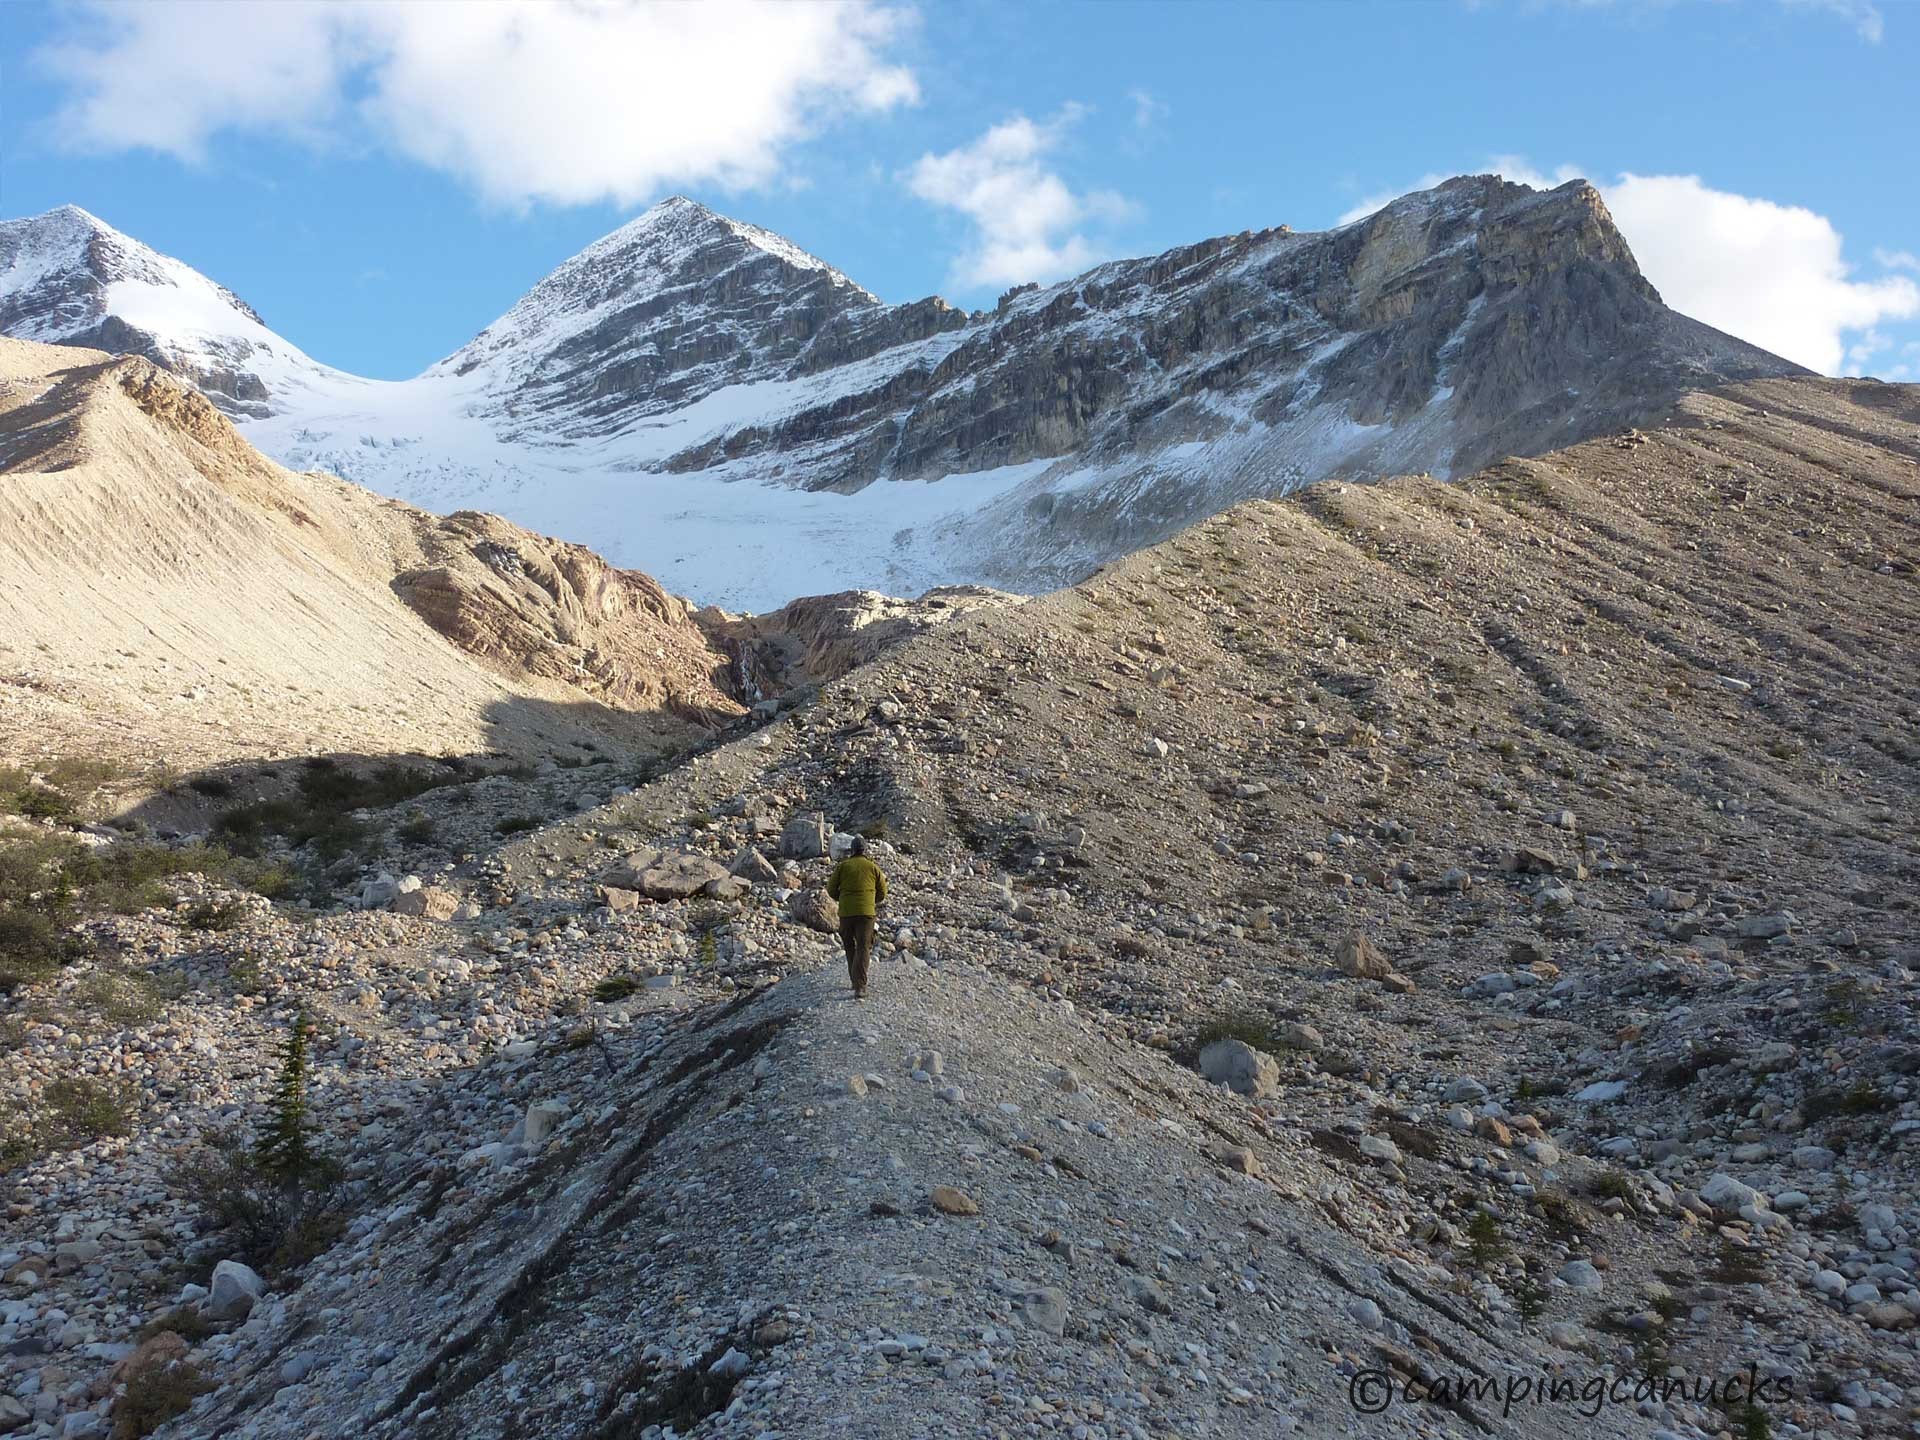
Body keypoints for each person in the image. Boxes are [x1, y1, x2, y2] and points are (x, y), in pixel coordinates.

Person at [826, 835, 888, 999]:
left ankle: (854, 980)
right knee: (863, 946)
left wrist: (843, 899)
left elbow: (831, 889)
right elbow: (883, 892)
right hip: (866, 914)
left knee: (849, 945)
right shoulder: (873, 867)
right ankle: (860, 986)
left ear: (852, 850)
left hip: (846, 913)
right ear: (865, 850)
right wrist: (870, 901)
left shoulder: (843, 866)